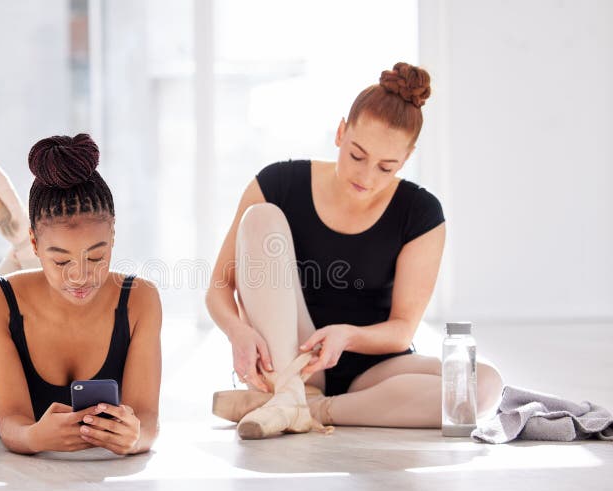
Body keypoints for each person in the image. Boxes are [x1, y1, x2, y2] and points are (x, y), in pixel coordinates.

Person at [206, 62, 503, 439]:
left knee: (483, 386)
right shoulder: (277, 183)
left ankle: (304, 407)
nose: (366, 177)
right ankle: (291, 391)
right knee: (261, 218)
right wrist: (237, 332)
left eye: (386, 167)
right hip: (292, 359)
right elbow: (219, 285)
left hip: (373, 371)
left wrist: (346, 336)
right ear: (341, 132)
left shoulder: (421, 213)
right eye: (357, 155)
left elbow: (401, 331)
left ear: (407, 159)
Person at [0, 134, 162, 456]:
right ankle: (23, 255)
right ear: (36, 240)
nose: (80, 275)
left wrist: (135, 437)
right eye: (61, 259)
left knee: (54, 281)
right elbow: (12, 423)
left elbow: (148, 419)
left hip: (36, 275)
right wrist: (32, 439)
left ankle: (33, 258)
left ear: (113, 235)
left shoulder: (141, 300)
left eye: (96, 257)